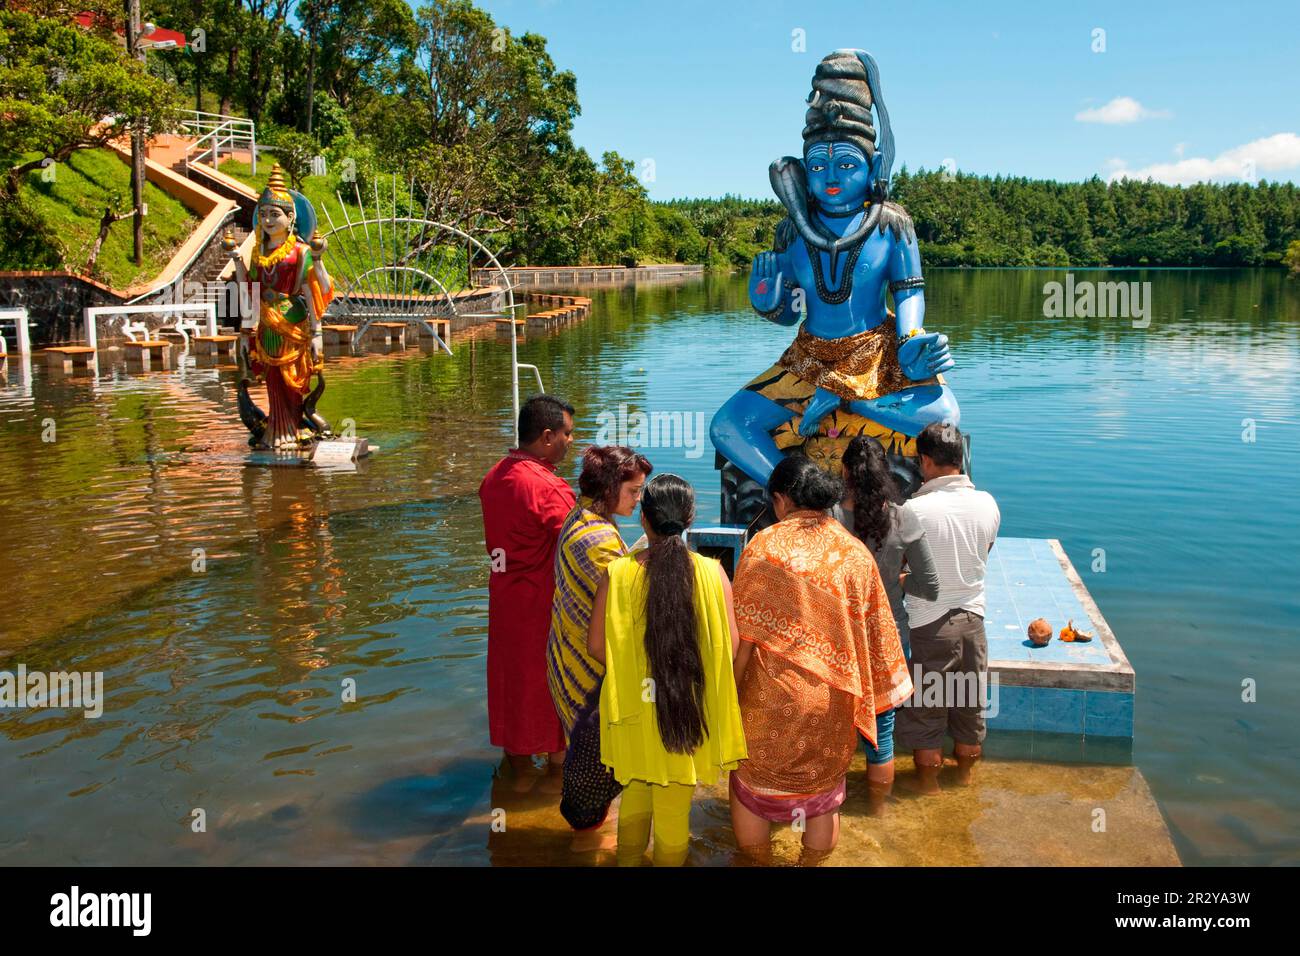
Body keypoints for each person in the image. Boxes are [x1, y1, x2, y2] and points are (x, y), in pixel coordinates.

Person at [730, 455, 913, 864]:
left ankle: (758, 860)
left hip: (768, 698)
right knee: (823, 797)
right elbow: (877, 638)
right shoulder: (854, 554)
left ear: (781, 500)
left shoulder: (763, 548)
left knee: (752, 787)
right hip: (832, 702)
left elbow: (743, 640)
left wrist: (726, 696)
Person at [586, 474, 747, 866]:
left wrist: (634, 672)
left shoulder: (618, 572)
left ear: (645, 520)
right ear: (689, 519)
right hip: (683, 711)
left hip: (633, 713)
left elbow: (594, 646)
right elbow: (731, 646)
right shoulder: (713, 573)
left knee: (637, 789)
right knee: (674, 811)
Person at [547, 446, 652, 835]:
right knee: (596, 765)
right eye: (634, 491)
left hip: (568, 654)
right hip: (587, 664)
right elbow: (624, 606)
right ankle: (590, 840)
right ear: (610, 488)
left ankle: (591, 832)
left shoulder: (584, 516)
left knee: (589, 758)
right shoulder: (597, 540)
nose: (639, 499)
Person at [895, 422, 1001, 793]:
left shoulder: (914, 510)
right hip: (974, 623)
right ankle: (966, 782)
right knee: (969, 712)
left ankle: (928, 790)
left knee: (927, 718)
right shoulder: (988, 504)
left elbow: (903, 569)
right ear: (961, 458)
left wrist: (906, 580)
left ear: (924, 461)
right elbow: (982, 557)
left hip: (930, 627)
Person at [836, 435, 940, 814]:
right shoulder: (904, 517)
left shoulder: (830, 520)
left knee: (836, 728)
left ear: (844, 471)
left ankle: (831, 810)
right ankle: (878, 812)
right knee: (882, 734)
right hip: (889, 638)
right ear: (886, 474)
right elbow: (930, 586)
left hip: (839, 640)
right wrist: (897, 581)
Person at [478, 395, 576, 790]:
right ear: (547, 436)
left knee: (512, 683)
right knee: (552, 690)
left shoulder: (495, 475)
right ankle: (556, 785)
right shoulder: (547, 487)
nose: (572, 440)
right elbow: (579, 545)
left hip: (506, 600)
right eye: (567, 433)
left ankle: (515, 773)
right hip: (542, 604)